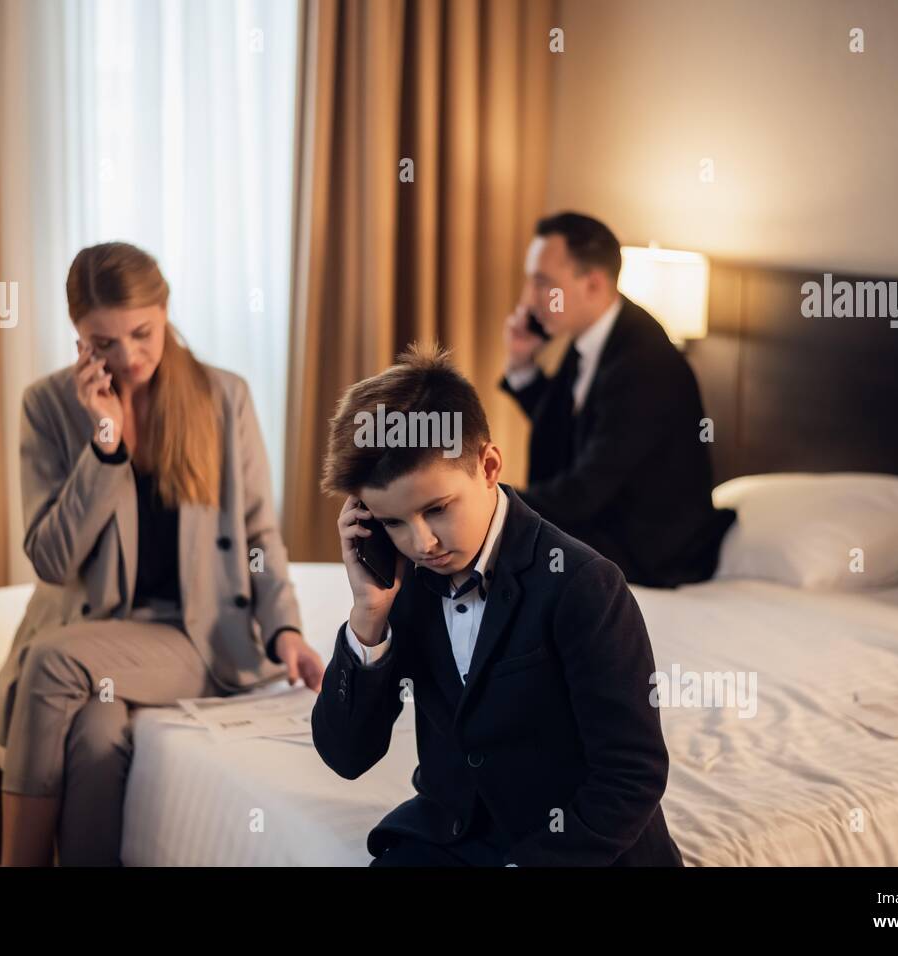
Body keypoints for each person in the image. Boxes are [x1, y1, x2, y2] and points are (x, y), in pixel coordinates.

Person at [0, 241, 325, 865]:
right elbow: (52, 560)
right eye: (104, 342)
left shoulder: (225, 397)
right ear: (78, 336)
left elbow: (258, 536)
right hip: (99, 634)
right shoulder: (49, 406)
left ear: (164, 310)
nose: (129, 356)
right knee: (95, 735)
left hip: (195, 637)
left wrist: (285, 631)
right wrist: (105, 443)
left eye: (142, 333)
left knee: (52, 663)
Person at [312, 342, 683, 866]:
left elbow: (632, 774)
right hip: (456, 840)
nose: (422, 544)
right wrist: (369, 614)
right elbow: (346, 757)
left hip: (576, 851)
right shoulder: (403, 582)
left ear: (488, 465)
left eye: (436, 510)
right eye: (393, 522)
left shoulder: (584, 586)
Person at [501, 211, 735, 587]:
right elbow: (570, 428)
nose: (528, 299)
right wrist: (522, 365)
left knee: (501, 550)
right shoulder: (591, 337)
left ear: (592, 284)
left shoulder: (645, 363)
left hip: (651, 549)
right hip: (602, 522)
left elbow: (586, 488)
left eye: (543, 284)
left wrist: (493, 505)